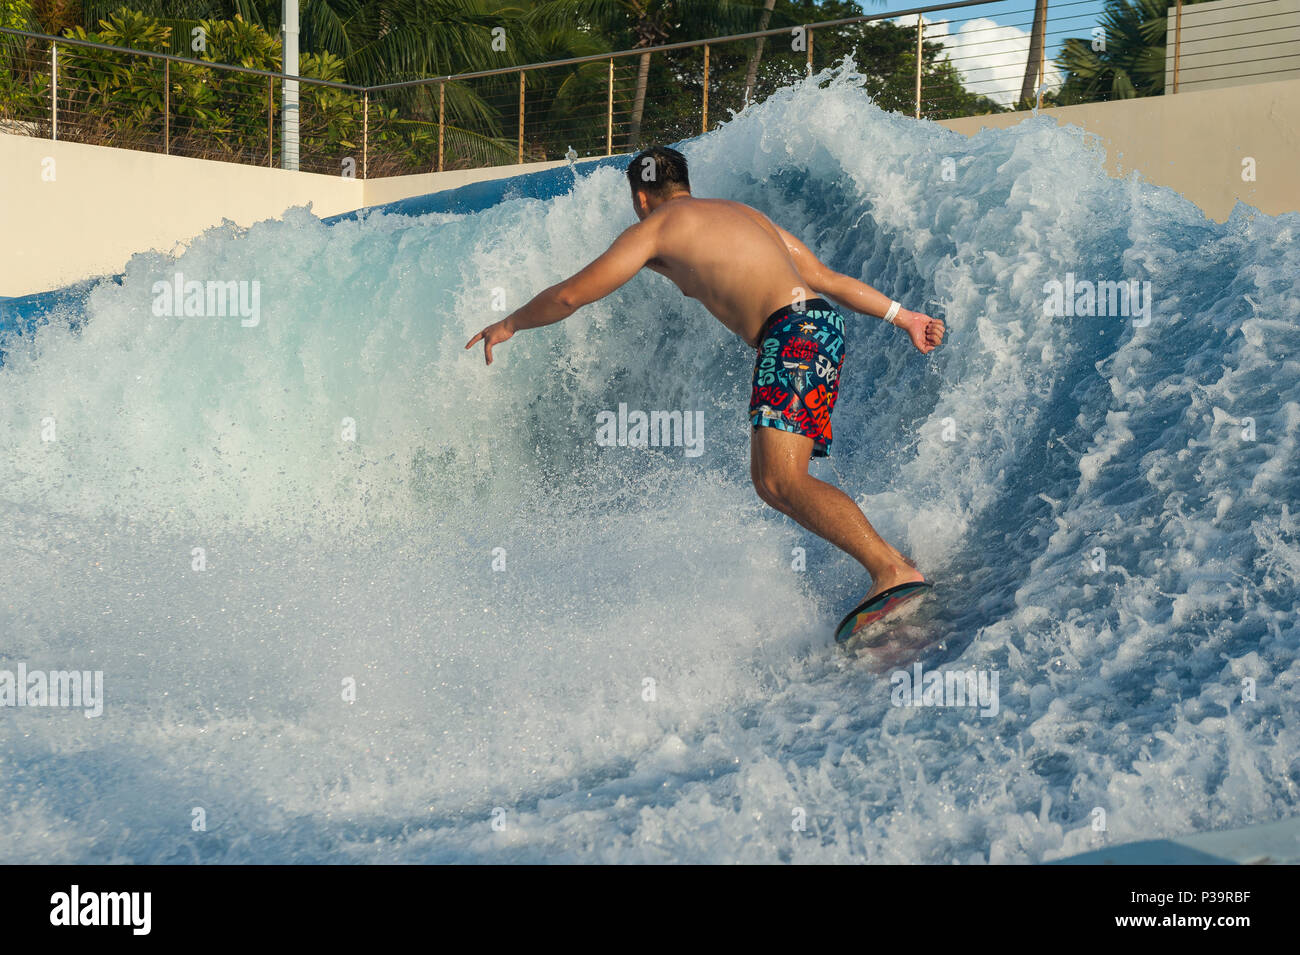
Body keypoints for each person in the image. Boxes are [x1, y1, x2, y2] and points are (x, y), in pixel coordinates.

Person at [467, 146, 945, 610]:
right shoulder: (743, 214)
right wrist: (905, 317)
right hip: (818, 325)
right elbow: (826, 277)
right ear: (683, 184)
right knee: (770, 481)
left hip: (794, 334)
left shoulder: (654, 229)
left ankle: (891, 570)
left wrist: (509, 323)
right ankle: (896, 563)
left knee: (781, 479)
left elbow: (571, 296)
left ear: (639, 197)